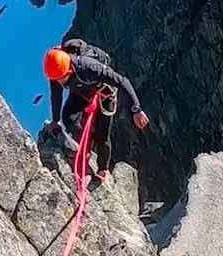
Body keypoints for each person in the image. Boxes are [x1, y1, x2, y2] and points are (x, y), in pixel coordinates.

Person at [43, 39, 149, 184]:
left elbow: (122, 81)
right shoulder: (56, 71)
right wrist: (55, 121)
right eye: (57, 80)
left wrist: (136, 109)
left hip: (106, 95)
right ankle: (84, 149)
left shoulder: (89, 66)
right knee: (69, 118)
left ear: (69, 69)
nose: (60, 83)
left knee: (102, 135)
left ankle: (102, 168)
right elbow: (56, 96)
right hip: (81, 92)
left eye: (62, 79)